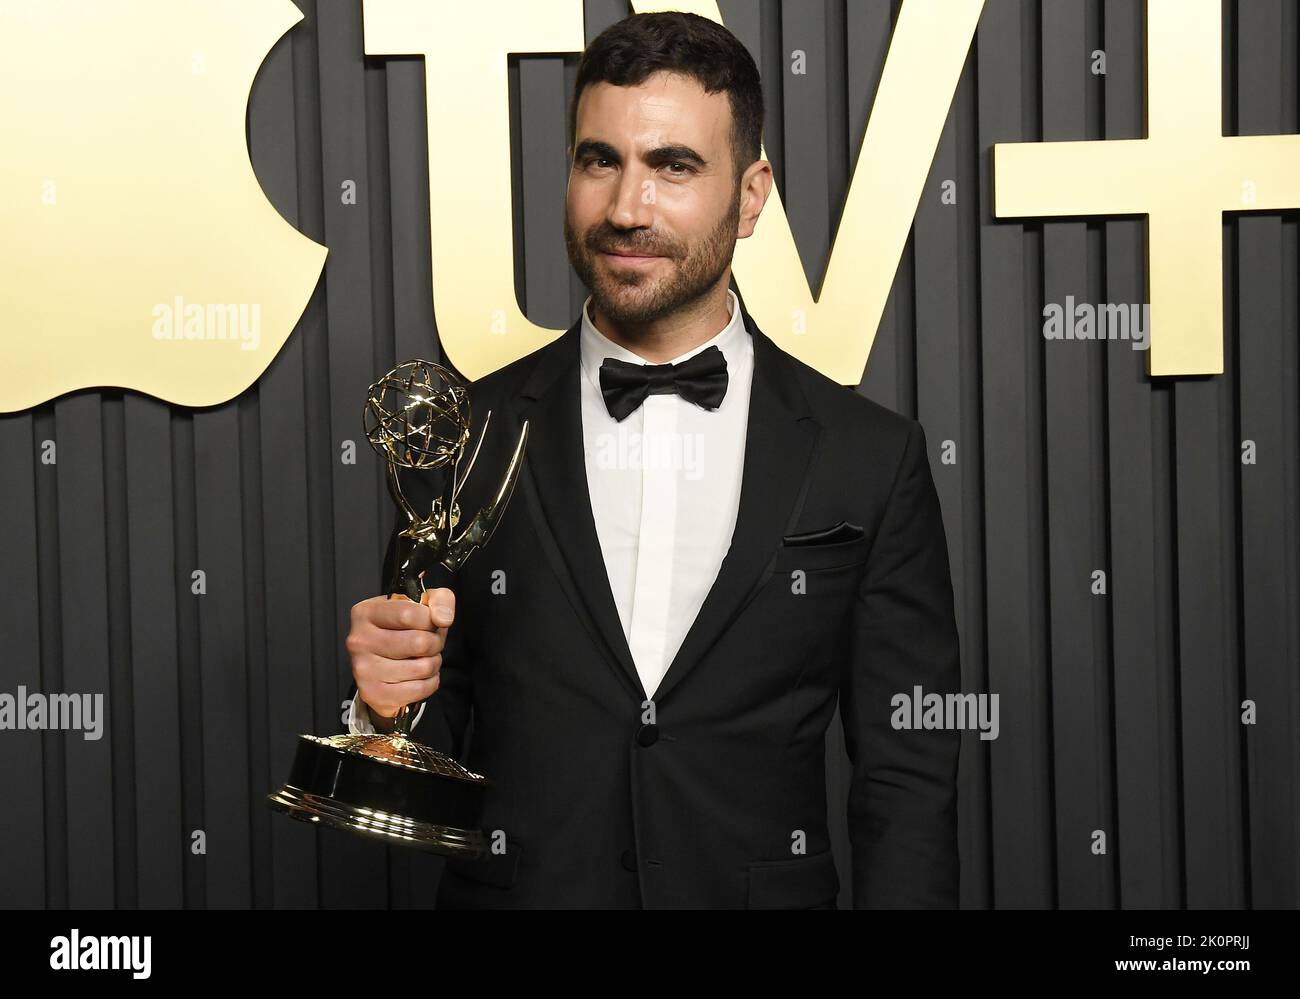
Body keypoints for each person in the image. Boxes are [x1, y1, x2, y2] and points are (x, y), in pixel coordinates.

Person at [345, 10, 960, 909]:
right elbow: (427, 754)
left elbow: (909, 782)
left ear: (751, 195)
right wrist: (383, 707)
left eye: (674, 166)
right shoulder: (466, 434)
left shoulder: (869, 457)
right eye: (601, 160)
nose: (627, 208)